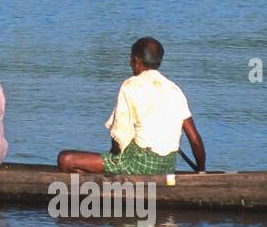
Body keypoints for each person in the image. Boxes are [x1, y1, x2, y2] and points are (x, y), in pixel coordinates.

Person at [57, 37, 206, 175]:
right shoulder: (174, 89)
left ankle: (104, 184)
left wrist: (114, 161)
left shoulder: (130, 86)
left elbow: (118, 139)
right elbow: (195, 140)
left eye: (130, 59)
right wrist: (201, 172)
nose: (129, 64)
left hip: (141, 164)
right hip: (168, 166)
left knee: (65, 159)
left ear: (136, 60)